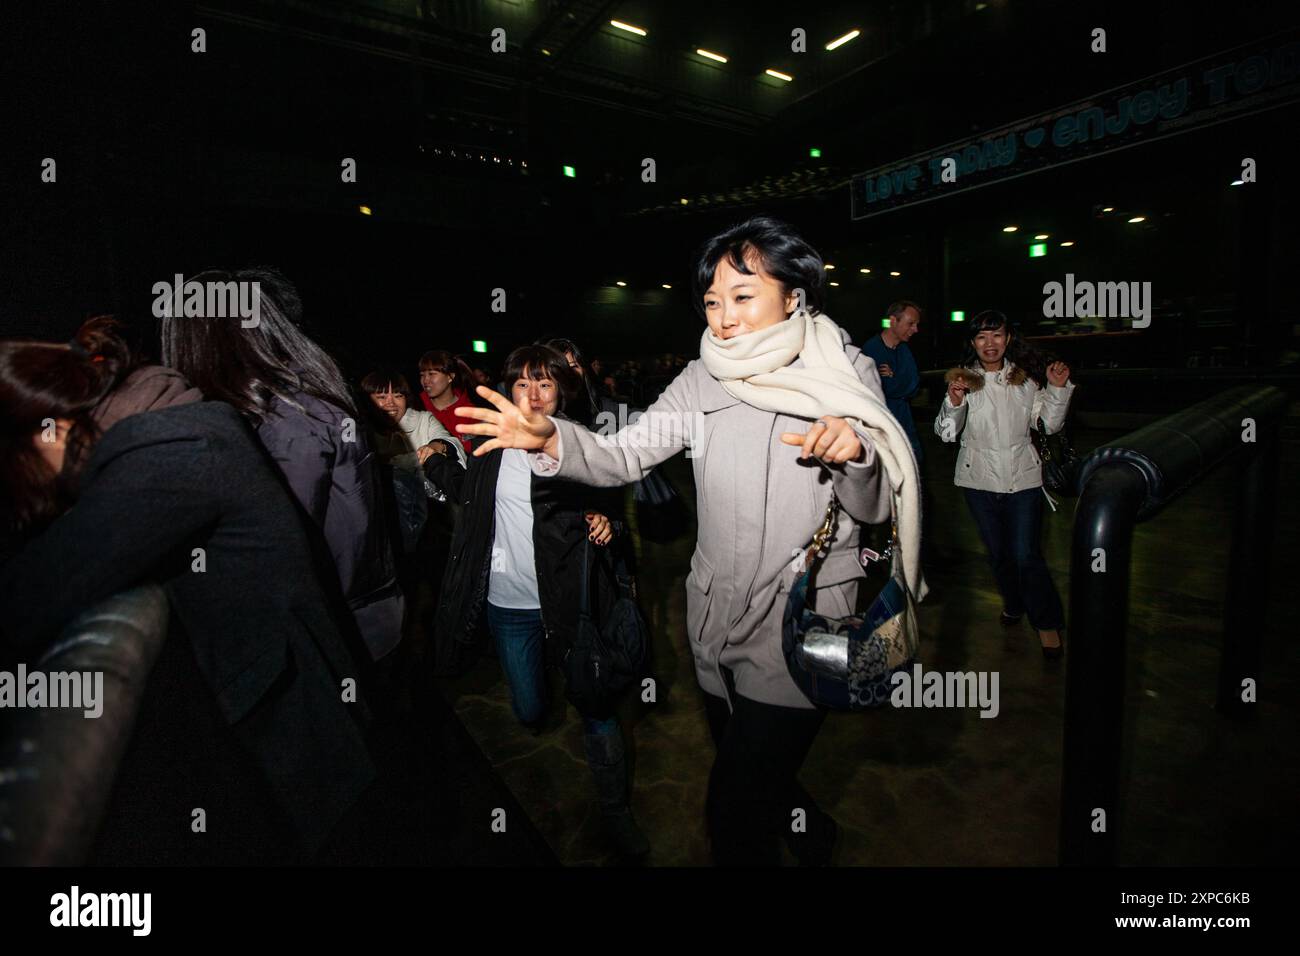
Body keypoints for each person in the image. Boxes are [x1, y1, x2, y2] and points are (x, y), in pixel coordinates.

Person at [456, 216, 924, 866]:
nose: (723, 317)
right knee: (750, 763)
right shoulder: (704, 377)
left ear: (794, 295)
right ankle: (813, 831)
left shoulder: (842, 373)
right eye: (711, 300)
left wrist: (854, 456)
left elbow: (875, 507)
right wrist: (554, 440)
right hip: (714, 614)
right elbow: (623, 455)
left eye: (741, 296)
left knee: (729, 814)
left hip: (801, 619)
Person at [0, 318, 379, 860]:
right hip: (290, 725)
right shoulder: (171, 424)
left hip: (298, 744)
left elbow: (28, 597)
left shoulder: (171, 449)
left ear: (52, 429)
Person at [435, 344, 650, 860]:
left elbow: (613, 509)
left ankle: (616, 812)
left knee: (597, 712)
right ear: (509, 389)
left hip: (573, 608)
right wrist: (437, 462)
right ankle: (541, 687)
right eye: (522, 383)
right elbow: (468, 497)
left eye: (545, 384)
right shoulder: (488, 446)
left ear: (561, 393)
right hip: (509, 606)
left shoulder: (580, 446)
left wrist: (607, 523)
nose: (532, 395)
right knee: (530, 709)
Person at [161, 268, 404, 663]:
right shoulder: (297, 396)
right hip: (354, 616)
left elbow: (274, 552)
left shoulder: (288, 418)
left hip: (334, 628)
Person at [934, 309, 1075, 658]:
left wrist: (1057, 391)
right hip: (978, 482)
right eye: (982, 337)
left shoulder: (1025, 380)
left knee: (1027, 555)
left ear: (1007, 338)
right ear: (973, 343)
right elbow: (947, 435)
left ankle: (1046, 624)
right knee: (999, 555)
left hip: (1024, 479)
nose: (990, 343)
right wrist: (953, 404)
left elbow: (1049, 426)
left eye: (996, 335)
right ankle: (1013, 603)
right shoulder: (963, 381)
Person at [862, 300, 924, 462]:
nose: (915, 330)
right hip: (882, 426)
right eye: (910, 324)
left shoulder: (904, 349)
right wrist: (899, 381)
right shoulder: (872, 350)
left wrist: (895, 379)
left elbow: (914, 385)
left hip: (905, 421)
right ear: (893, 321)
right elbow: (886, 388)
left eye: (916, 324)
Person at [417, 350, 478, 454]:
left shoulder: (471, 413)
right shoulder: (416, 406)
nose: (425, 380)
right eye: (422, 375)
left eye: (432, 374)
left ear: (450, 377)